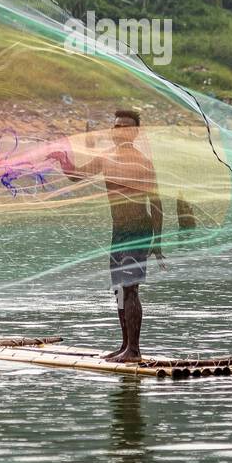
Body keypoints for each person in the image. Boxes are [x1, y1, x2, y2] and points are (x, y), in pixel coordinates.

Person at [52, 110, 163, 362]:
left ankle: (134, 350)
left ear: (135, 133)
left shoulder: (142, 162)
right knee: (119, 291)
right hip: (119, 231)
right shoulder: (106, 158)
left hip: (138, 230)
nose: (119, 131)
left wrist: (157, 239)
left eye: (125, 127)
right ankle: (125, 346)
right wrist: (63, 159)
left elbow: (156, 202)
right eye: (116, 127)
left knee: (130, 288)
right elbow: (76, 175)